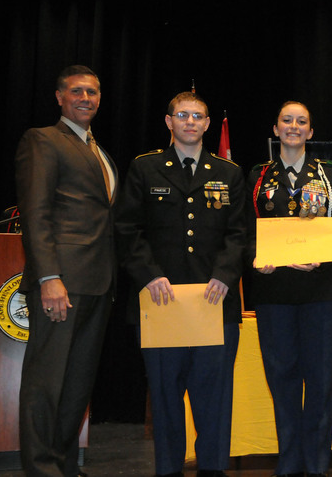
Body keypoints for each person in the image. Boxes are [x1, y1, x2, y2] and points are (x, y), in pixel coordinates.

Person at [116, 92, 247, 477]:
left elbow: (239, 235)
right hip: (162, 303)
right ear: (169, 121)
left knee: (214, 400)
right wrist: (149, 274)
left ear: (208, 124)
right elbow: (127, 229)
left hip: (214, 303)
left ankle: (212, 470)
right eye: (183, 115)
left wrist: (224, 276)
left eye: (198, 116)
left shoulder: (228, 173)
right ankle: (169, 470)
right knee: (166, 398)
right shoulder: (146, 168)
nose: (191, 122)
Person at [15, 64, 117, 476]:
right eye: (77, 91)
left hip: (98, 282)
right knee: (46, 383)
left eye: (92, 92)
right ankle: (40, 468)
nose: (86, 98)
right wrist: (48, 277)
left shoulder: (98, 149)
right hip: (62, 282)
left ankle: (61, 463)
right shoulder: (42, 140)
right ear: (59, 97)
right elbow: (36, 215)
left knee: (76, 386)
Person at [247, 101, 332, 477]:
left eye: (301, 122)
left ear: (310, 131)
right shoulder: (259, 176)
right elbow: (246, 230)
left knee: (321, 380)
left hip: (322, 291)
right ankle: (290, 463)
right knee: (282, 379)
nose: (293, 126)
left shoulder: (329, 174)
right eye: (286, 121)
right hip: (274, 293)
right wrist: (258, 258)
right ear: (276, 129)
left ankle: (317, 465)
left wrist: (324, 255)